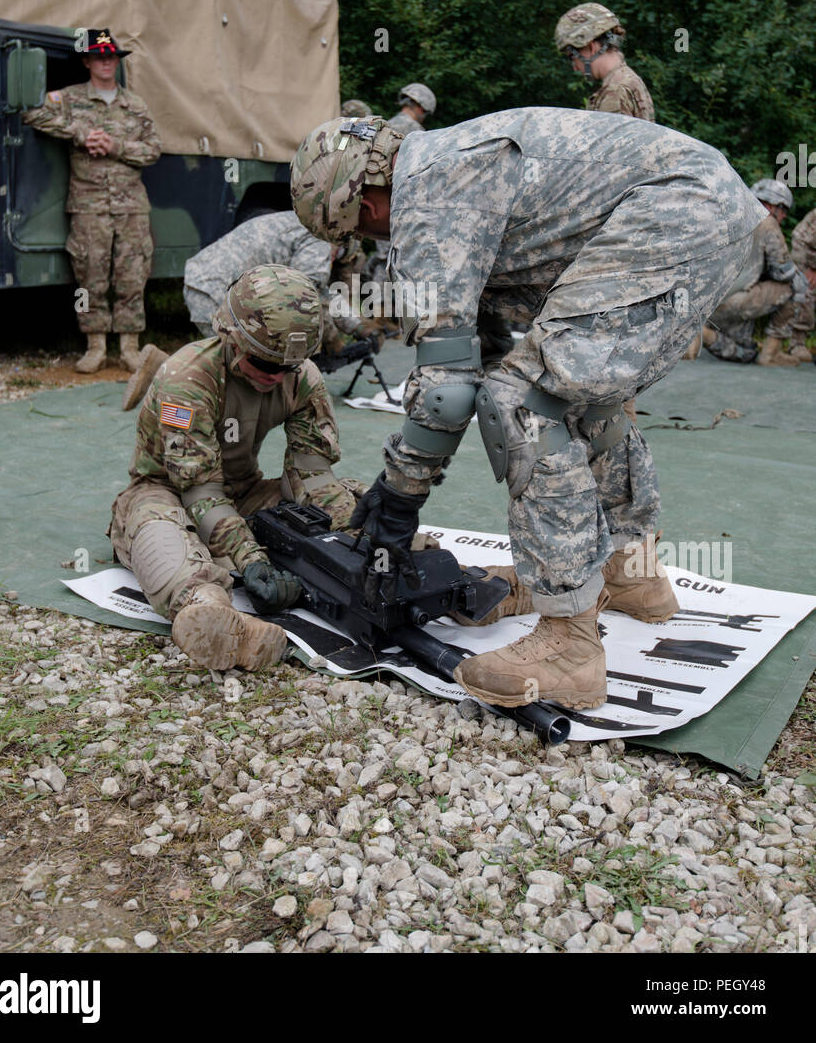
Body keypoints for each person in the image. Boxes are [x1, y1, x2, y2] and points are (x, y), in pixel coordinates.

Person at [290, 109, 764, 710]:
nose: (374, 239)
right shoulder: (448, 162)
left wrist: (399, 495)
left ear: (363, 202)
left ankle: (568, 642)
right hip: (710, 209)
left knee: (523, 403)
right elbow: (477, 335)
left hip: (673, 219)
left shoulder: (426, 200)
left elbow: (446, 387)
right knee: (585, 395)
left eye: (360, 230)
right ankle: (628, 570)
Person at [110, 265, 366, 670]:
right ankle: (213, 615)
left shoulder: (301, 376)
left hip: (243, 492)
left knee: (350, 509)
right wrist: (252, 559)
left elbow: (312, 475)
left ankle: (441, 580)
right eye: (262, 364)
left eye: (285, 368)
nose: (273, 377)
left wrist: (355, 532)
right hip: (167, 490)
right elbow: (199, 490)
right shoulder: (188, 379)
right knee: (160, 537)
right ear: (230, 339)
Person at [122, 210, 377, 409]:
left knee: (228, 360)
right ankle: (161, 369)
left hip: (208, 283)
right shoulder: (321, 241)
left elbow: (319, 292)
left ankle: (163, 368)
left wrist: (356, 325)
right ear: (340, 249)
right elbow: (306, 298)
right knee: (238, 367)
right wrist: (334, 339)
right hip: (218, 292)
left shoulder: (307, 223)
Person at [23, 28, 161, 372]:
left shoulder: (135, 105)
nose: (105, 62)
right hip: (88, 206)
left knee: (132, 277)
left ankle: (130, 348)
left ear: (116, 61)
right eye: (99, 56)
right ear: (86, 61)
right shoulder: (69, 99)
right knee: (89, 278)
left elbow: (153, 150)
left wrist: (115, 146)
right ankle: (95, 346)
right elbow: (32, 114)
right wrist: (81, 134)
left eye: (110, 56)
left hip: (131, 207)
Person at [695, 180, 809, 367]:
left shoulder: (723, 214)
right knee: (797, 284)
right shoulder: (767, 221)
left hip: (703, 305)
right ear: (773, 205)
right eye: (784, 211)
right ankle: (772, 353)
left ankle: (703, 335)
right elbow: (784, 272)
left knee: (746, 352)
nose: (784, 217)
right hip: (733, 303)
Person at [555, 4, 655, 122]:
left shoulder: (614, 92)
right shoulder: (628, 79)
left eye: (572, 57)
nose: (575, 68)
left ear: (591, 47)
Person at [790, 206, 816, 364]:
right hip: (806, 256)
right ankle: (796, 343)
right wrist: (813, 267)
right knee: (807, 288)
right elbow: (800, 239)